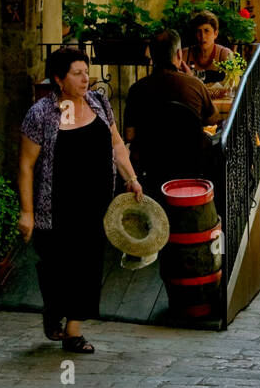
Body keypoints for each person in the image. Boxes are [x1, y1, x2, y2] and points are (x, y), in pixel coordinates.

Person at [18, 46, 143, 355]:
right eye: (77, 73)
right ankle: (53, 309)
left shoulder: (99, 103)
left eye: (86, 71)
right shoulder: (41, 114)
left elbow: (116, 143)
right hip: (56, 205)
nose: (86, 78)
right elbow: (25, 165)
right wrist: (27, 212)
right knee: (57, 266)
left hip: (95, 202)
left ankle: (74, 331)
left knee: (87, 265)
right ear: (60, 79)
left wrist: (131, 177)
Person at [123, 30, 217, 196]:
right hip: (191, 163)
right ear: (179, 54)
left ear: (151, 56)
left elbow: (129, 135)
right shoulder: (194, 85)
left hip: (152, 164)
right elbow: (213, 119)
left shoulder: (137, 89)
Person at [185, 11, 233, 82]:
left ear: (215, 34)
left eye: (206, 31)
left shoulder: (225, 55)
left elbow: (233, 85)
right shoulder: (185, 55)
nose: (202, 36)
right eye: (199, 31)